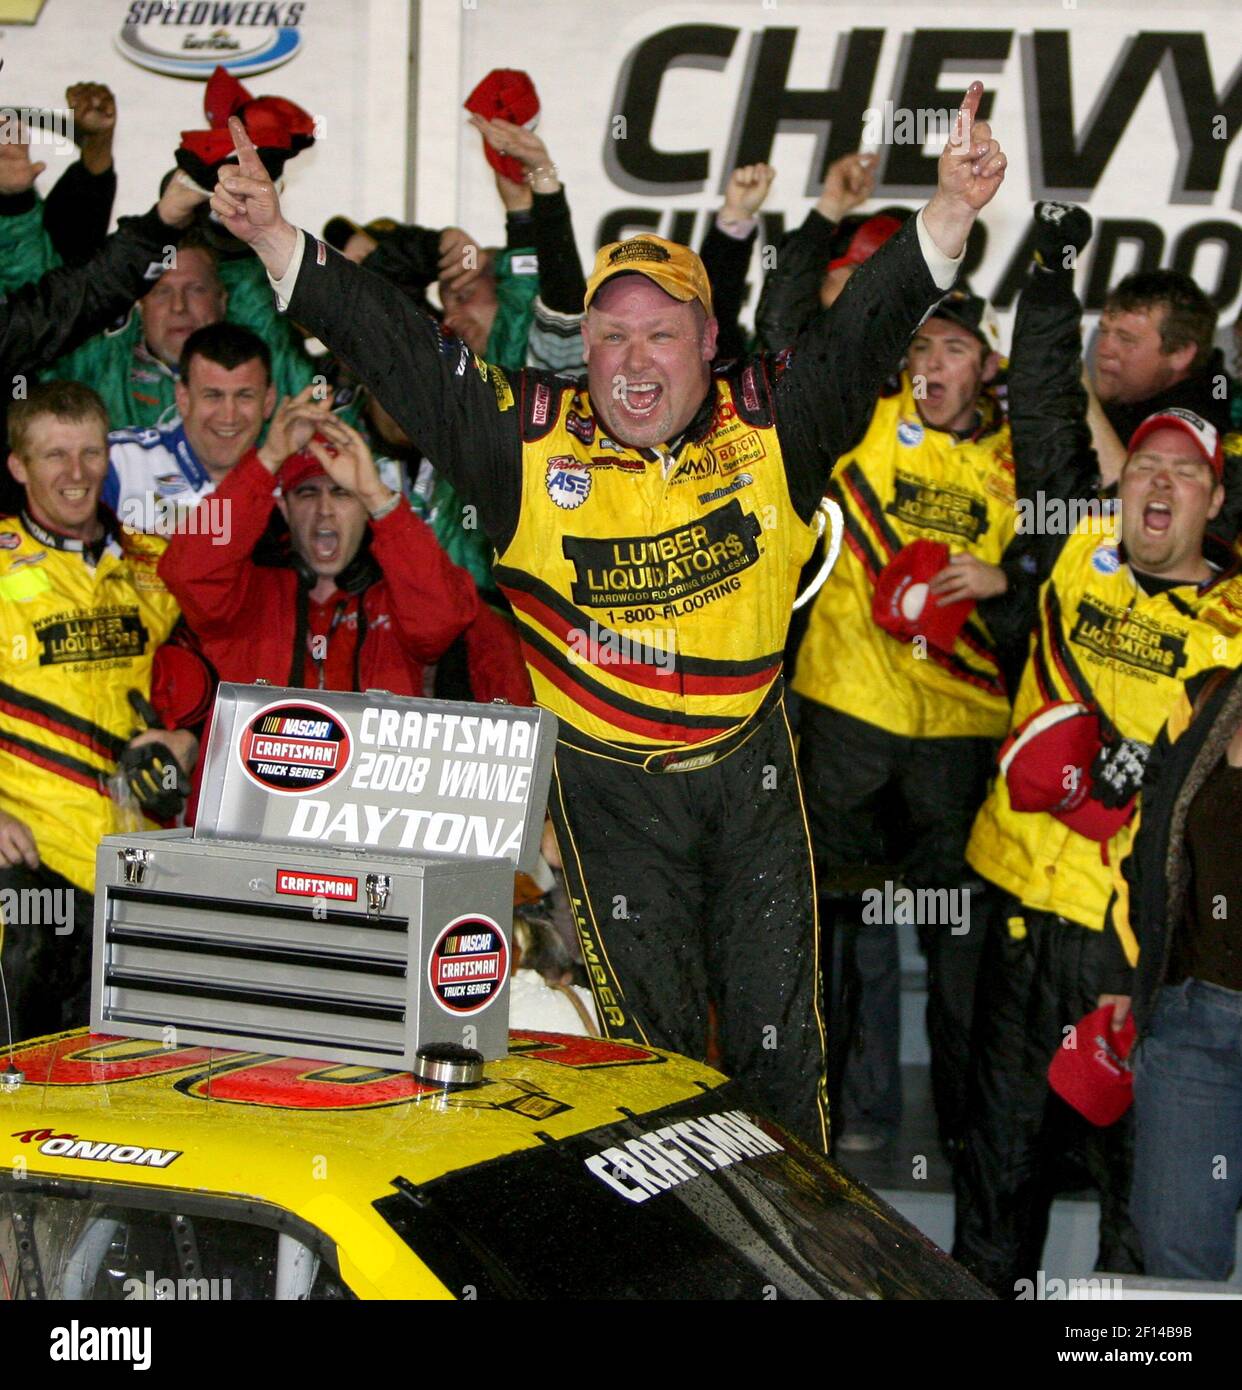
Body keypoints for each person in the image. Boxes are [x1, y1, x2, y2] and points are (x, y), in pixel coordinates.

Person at [211, 85, 1008, 1149]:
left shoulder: (774, 415)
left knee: (779, 1057)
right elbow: (396, 339)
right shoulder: (524, 438)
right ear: (584, 345)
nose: (636, 361)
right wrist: (273, 235)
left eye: (662, 336)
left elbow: (865, 330)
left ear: (708, 339)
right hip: (609, 795)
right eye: (612, 335)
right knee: (658, 1061)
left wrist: (947, 215)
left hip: (753, 776)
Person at [951, 207, 1242, 1295]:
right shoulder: (1075, 544)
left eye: (1185, 477)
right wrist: (1048, 273)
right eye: (1143, 472)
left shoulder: (1237, 622)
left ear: (1216, 498)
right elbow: (1039, 405)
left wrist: (1166, 766)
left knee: (1140, 1230)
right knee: (994, 1199)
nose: (1157, 489)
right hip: (1023, 926)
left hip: (1146, 962)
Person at [793, 289, 1016, 1156]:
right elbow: (802, 353)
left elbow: (1056, 565)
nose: (932, 365)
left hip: (961, 725)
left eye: (955, 348)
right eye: (920, 344)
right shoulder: (868, 417)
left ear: (987, 364)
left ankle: (969, 1132)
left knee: (956, 933)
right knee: (839, 929)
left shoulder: (1021, 459)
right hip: (850, 706)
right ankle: (832, 1119)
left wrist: (1007, 584)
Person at [0, 382, 200, 1043]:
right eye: (54, 455)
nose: (76, 472)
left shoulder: (152, 561)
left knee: (121, 1080)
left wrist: (185, 740)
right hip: (30, 868)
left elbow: (213, 678)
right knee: (18, 1074)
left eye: (90, 451)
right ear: (18, 466)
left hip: (134, 868)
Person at [158, 392, 481, 699]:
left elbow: (445, 619)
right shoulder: (245, 595)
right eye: (307, 493)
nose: (325, 509)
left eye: (342, 493)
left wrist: (377, 496)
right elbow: (186, 571)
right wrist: (266, 461)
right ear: (283, 508)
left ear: (365, 512)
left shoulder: (396, 596)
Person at [1101, 664, 1242, 1282]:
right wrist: (1131, 971)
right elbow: (1150, 844)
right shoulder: (1212, 695)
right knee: (1176, 1267)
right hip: (1194, 1022)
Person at [104, 322, 275, 530]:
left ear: (268, 401)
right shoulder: (120, 461)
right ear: (183, 398)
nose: (229, 416)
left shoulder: (288, 485)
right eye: (213, 396)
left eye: (244, 396)